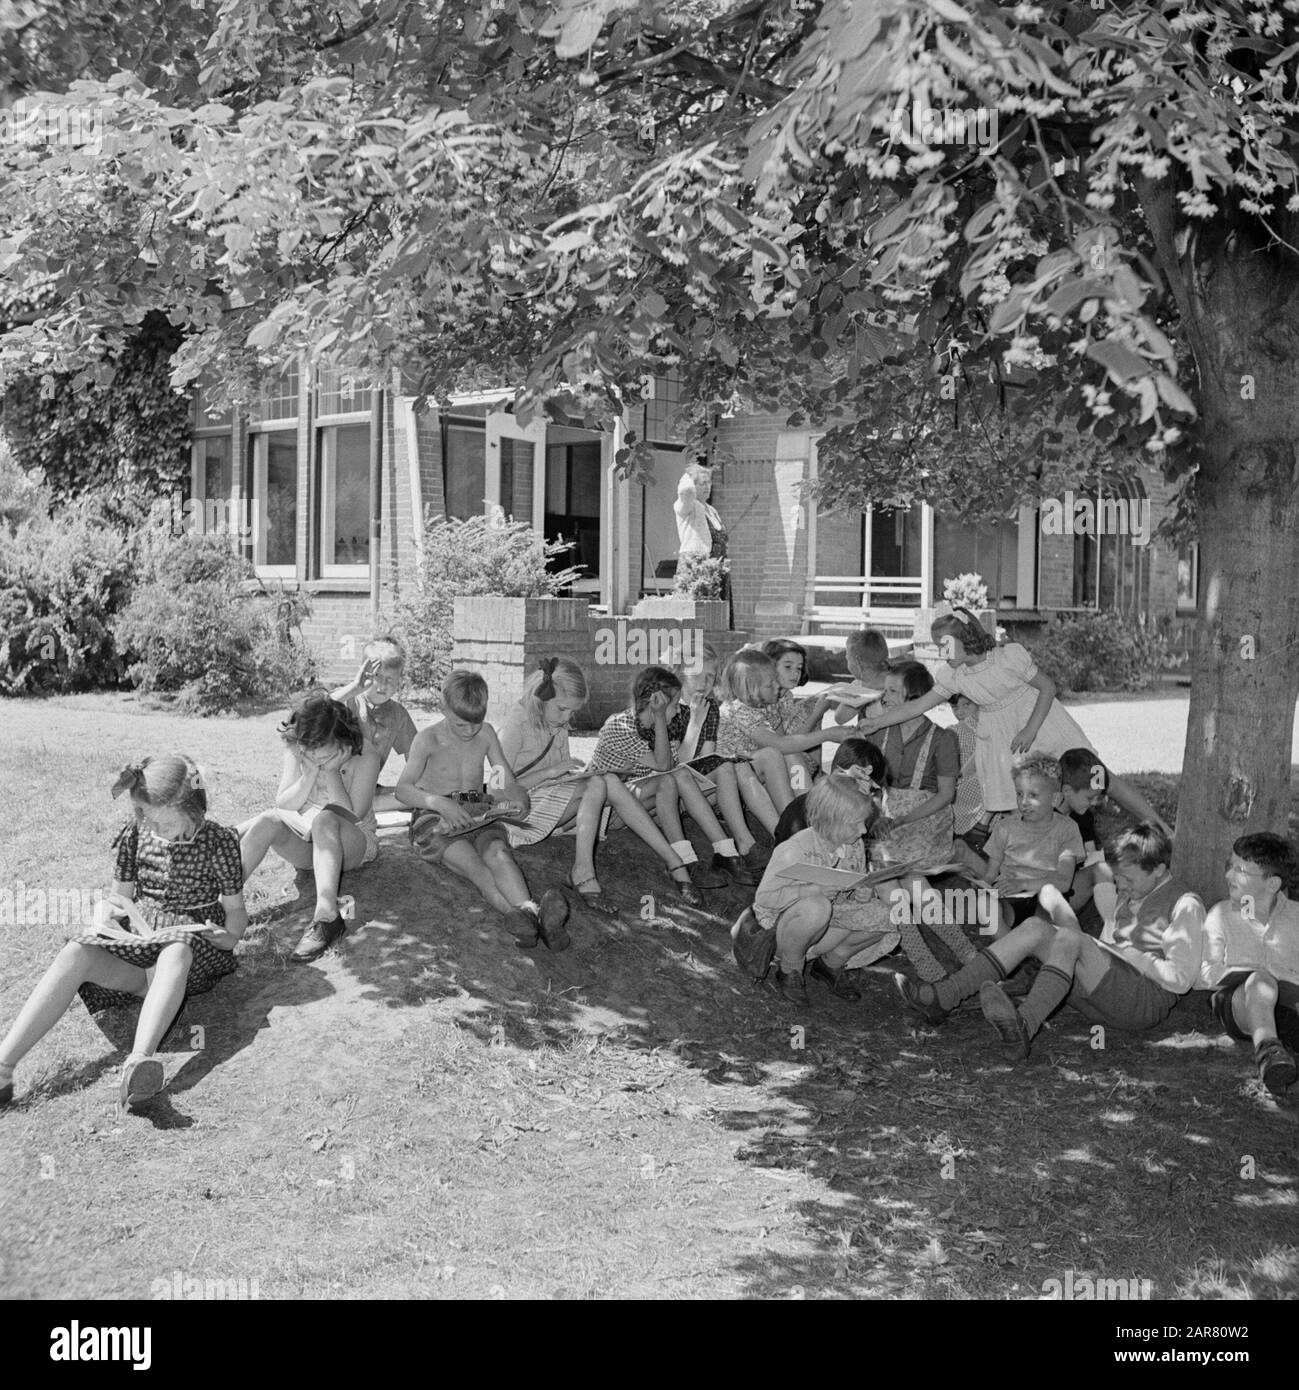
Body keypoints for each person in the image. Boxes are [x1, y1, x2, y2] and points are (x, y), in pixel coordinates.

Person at [0, 756, 248, 1110]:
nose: (151, 827)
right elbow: (119, 897)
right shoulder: (138, 833)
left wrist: (230, 936)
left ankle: (139, 1063)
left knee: (176, 948)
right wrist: (106, 913)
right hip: (140, 945)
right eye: (145, 817)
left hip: (190, 953)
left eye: (162, 822)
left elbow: (236, 910)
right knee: (76, 951)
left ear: (192, 808)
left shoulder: (218, 841)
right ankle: (4, 1066)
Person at [897, 825, 1206, 1062]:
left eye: (1127, 878)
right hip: (1104, 997)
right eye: (1117, 877)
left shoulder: (1185, 903)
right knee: (1034, 927)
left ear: (1160, 869)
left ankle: (1025, 1024)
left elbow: (1180, 980)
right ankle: (945, 996)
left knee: (1070, 937)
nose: (1120, 885)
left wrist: (1129, 954)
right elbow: (1108, 950)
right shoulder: (1131, 893)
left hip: (1141, 1003)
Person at [860, 604, 1097, 815]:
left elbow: (1048, 687)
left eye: (945, 646)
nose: (941, 654)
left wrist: (1030, 730)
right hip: (1000, 735)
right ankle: (1029, 844)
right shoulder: (955, 675)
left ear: (965, 639)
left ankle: (1071, 835)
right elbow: (918, 705)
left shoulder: (1006, 659)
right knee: (1019, 796)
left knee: (1072, 774)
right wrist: (879, 722)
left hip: (1034, 718)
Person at [399, 669, 570, 951]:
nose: (469, 732)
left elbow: (504, 779)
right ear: (443, 707)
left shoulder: (487, 733)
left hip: (477, 810)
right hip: (435, 817)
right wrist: (439, 803)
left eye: (475, 724)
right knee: (476, 866)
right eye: (460, 725)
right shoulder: (427, 739)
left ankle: (529, 925)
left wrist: (518, 799)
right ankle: (538, 920)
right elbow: (403, 789)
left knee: (499, 854)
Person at [590, 665, 757, 906]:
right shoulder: (619, 725)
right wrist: (660, 718)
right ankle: (685, 860)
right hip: (614, 811)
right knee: (669, 778)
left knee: (694, 773)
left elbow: (679, 766)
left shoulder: (657, 729)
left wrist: (691, 726)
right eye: (675, 704)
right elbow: (663, 766)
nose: (679, 711)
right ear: (655, 702)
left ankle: (726, 852)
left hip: (651, 803)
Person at [733, 773, 900, 1005]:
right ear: (831, 820)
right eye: (856, 823)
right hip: (782, 933)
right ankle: (790, 968)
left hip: (826, 927)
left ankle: (830, 964)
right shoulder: (795, 849)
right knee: (817, 907)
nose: (863, 830)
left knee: (888, 915)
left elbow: (852, 884)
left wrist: (863, 894)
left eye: (865, 821)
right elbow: (764, 898)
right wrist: (808, 891)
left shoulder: (854, 845)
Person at [237, 690, 370, 963]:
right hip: (309, 841)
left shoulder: (366, 758)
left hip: (352, 845)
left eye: (325, 758)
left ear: (344, 744)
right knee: (266, 821)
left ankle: (327, 916)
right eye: (310, 755)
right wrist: (308, 774)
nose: (316, 761)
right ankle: (222, 897)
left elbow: (352, 815)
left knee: (325, 818)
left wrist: (331, 773)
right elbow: (284, 802)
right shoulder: (299, 749)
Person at [497, 658, 620, 916]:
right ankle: (583, 872)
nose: (567, 718)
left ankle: (585, 870)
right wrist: (551, 772)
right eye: (562, 709)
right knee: (598, 785)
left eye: (572, 712)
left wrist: (573, 774)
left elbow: (560, 777)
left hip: (548, 804)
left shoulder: (558, 724)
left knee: (599, 781)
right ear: (541, 698)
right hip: (518, 816)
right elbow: (498, 788)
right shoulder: (515, 724)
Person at [1199, 832, 1299, 1097]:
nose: (1228, 876)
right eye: (1229, 866)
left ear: (1272, 884)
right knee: (1261, 981)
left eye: (1240, 870)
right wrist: (1249, 972)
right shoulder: (1221, 915)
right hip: (1238, 1003)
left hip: (1287, 1007)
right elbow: (1206, 973)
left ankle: (1283, 1061)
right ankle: (1269, 1053)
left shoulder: (1296, 918)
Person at [716, 648, 853, 833]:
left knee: (791, 753)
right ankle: (791, 824)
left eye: (775, 681)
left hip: (756, 770)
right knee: (774, 754)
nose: (777, 687)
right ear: (750, 688)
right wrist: (828, 734)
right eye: (769, 685)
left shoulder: (768, 706)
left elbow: (788, 742)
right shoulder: (737, 709)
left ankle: (810, 811)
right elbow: (779, 745)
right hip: (735, 777)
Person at [675, 642, 765, 875]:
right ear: (679, 672)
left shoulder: (711, 707)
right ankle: (738, 844)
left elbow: (707, 758)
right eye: (697, 675)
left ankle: (751, 843)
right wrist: (695, 722)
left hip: (702, 787)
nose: (704, 684)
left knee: (738, 767)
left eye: (710, 676)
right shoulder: (669, 707)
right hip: (675, 791)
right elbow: (676, 765)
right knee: (727, 767)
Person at [1057, 748, 1172, 928]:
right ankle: (1114, 929)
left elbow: (1089, 854)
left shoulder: (1082, 815)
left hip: (1071, 887)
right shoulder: (1045, 819)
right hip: (1047, 893)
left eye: (1097, 797)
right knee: (1102, 870)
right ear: (1067, 791)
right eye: (1090, 797)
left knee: (1113, 868)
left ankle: (1123, 923)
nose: (1094, 803)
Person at [980, 754, 1086, 933]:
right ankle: (1007, 951)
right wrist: (983, 886)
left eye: (1033, 795)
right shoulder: (1004, 827)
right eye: (1019, 794)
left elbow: (1064, 882)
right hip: (1010, 898)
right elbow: (990, 874)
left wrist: (1023, 884)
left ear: (1054, 799)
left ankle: (1072, 943)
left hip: (1045, 899)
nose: (1023, 803)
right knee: (985, 905)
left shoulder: (1067, 828)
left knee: (1050, 895)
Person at [330, 633, 418, 842]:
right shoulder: (349, 700)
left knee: (415, 796)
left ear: (399, 682)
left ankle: (473, 796)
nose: (382, 686)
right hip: (335, 785)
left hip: (367, 791)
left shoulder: (398, 714)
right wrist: (354, 687)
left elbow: (415, 756)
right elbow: (314, 710)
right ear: (364, 673)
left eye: (390, 680)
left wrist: (418, 790)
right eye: (377, 677)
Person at [763, 639, 835, 787]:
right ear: (770, 666)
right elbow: (787, 746)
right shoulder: (764, 699)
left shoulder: (788, 698)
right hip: (776, 766)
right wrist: (817, 714)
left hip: (798, 764)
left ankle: (817, 777)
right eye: (788, 666)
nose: (795, 673)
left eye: (799, 668)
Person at [674, 460, 731, 625]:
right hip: (696, 566)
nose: (707, 487)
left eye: (709, 482)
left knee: (717, 619)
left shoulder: (712, 510)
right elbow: (685, 490)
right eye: (702, 483)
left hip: (715, 569)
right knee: (697, 617)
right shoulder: (687, 506)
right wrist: (689, 475)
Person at [834, 629, 891, 726]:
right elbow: (839, 718)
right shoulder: (859, 684)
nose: (846, 659)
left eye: (847, 657)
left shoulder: (895, 682)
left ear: (857, 662)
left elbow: (840, 718)